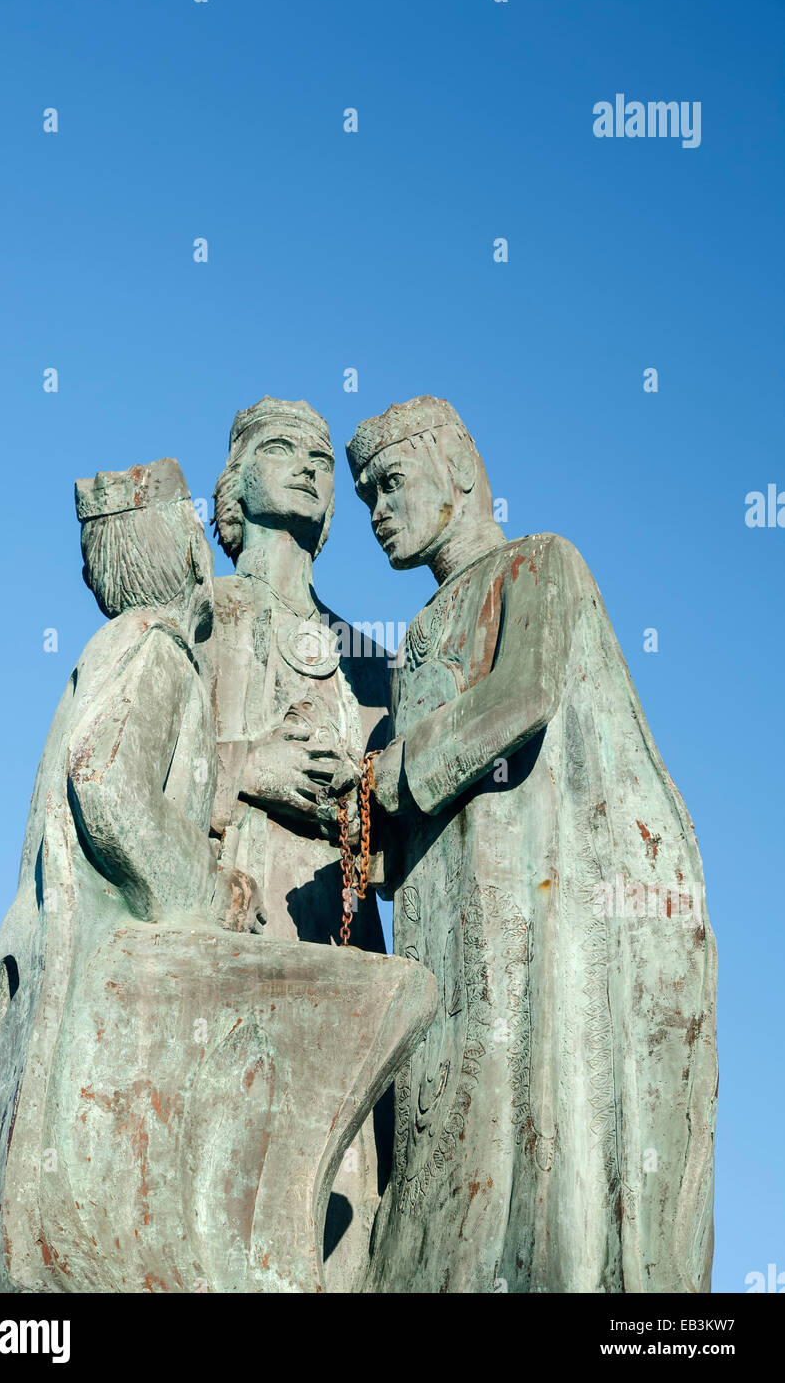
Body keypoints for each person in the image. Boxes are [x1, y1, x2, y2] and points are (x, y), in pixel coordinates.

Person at [347, 396, 718, 1293]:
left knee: (529, 1153)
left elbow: (522, 696)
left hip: (529, 930)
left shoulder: (539, 563)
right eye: (365, 502)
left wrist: (393, 775)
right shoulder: (422, 634)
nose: (378, 515)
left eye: (392, 485)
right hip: (449, 936)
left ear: (459, 466)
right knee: (442, 1159)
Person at [0, 458, 262, 1292]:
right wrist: (206, 890)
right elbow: (106, 783)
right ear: (185, 545)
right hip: (107, 988)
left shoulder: (100, 651)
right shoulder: (156, 648)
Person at [204, 397, 391, 1288]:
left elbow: (398, 821)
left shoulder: (367, 654)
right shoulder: (199, 615)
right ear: (232, 485)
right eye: (281, 449)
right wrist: (249, 763)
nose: (311, 467)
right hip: (232, 909)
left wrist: (359, 809)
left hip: (340, 919)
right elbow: (132, 771)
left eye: (321, 456)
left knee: (348, 1174)